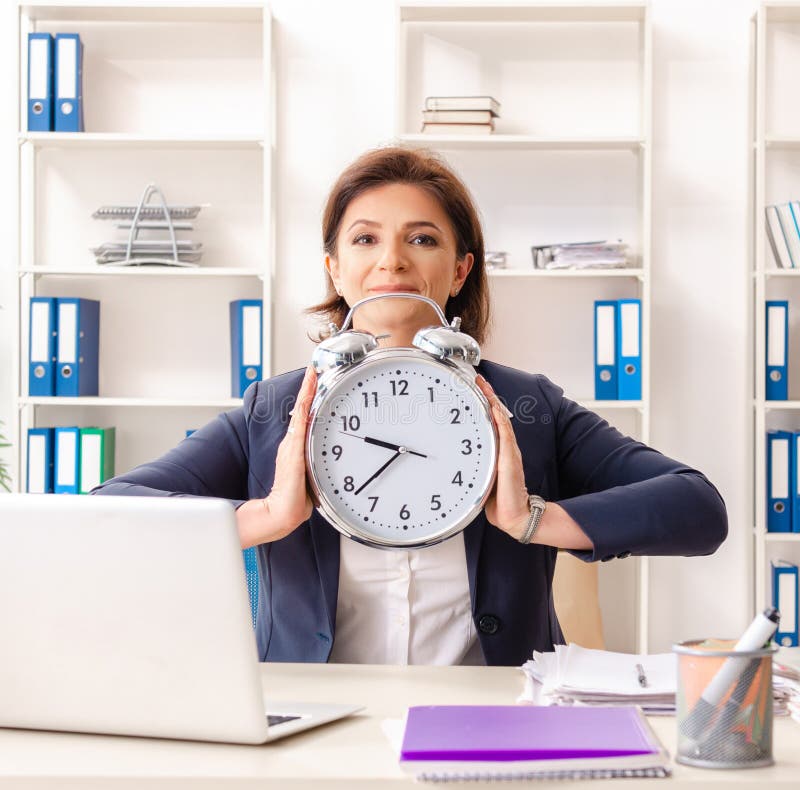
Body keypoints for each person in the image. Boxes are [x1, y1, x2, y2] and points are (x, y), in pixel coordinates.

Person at [92, 146, 728, 666]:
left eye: (421, 238)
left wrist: (534, 520)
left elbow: (698, 508)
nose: (391, 259)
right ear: (335, 269)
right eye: (365, 239)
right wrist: (266, 516)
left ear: (459, 271)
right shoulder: (274, 411)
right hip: (317, 717)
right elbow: (107, 516)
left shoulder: (526, 407)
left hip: (492, 712)